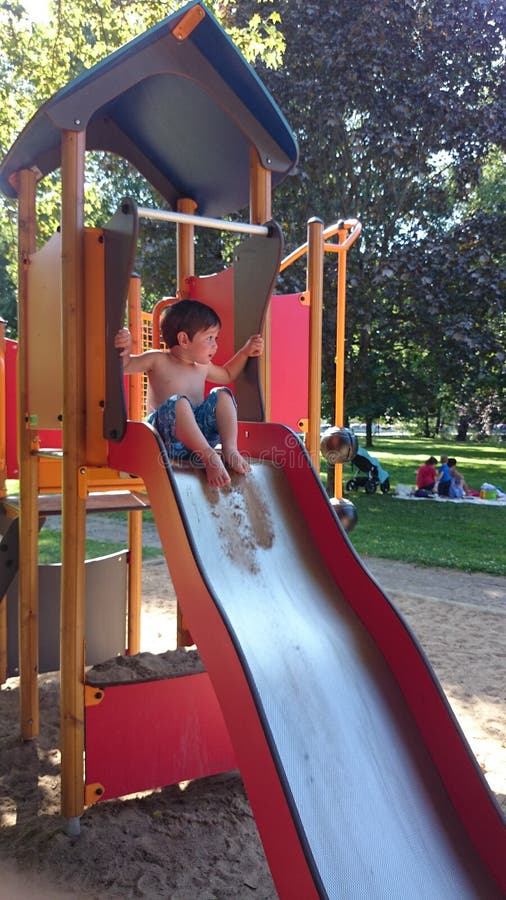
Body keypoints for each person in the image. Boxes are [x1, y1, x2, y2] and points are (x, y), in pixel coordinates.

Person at [114, 299, 263, 487]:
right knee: (179, 402)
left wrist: (244, 353)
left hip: (198, 437)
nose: (215, 345)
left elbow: (227, 374)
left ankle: (230, 450)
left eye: (215, 338)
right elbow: (125, 366)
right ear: (184, 340)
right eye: (209, 338)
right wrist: (124, 350)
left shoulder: (203, 366)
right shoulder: (158, 359)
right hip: (164, 438)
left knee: (222, 394)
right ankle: (209, 456)